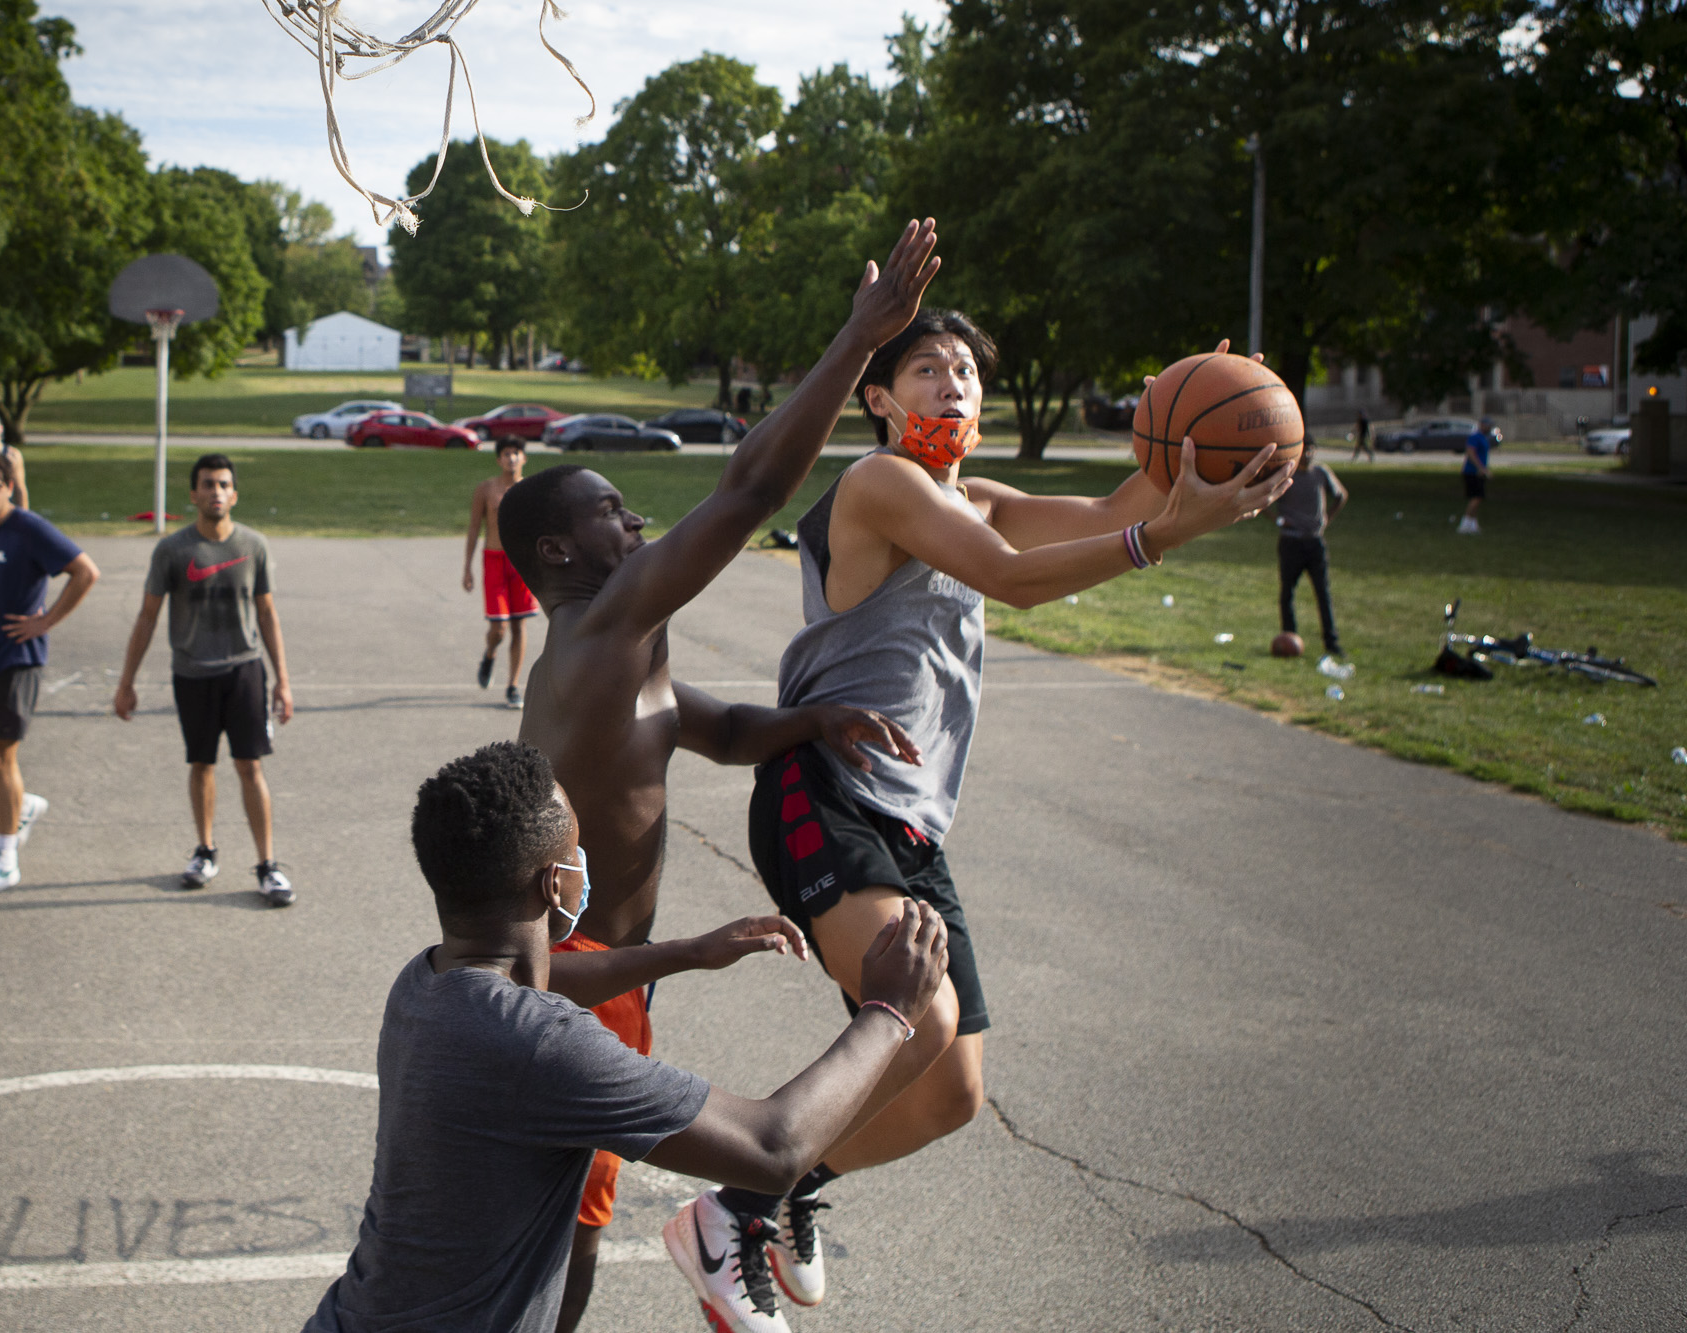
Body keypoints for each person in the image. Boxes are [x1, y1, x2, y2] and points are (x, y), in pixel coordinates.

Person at [702, 313, 1294, 1325]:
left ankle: (783, 1189)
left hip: (912, 826)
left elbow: (1121, 499)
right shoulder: (878, 482)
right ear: (880, 400)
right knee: (917, 1018)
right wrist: (1162, 535)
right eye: (923, 368)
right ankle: (735, 1206)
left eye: (965, 368)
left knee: (946, 1093)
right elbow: (1015, 581)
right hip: (826, 790)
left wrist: (1182, 425)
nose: (949, 381)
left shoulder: (974, 498)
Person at [501, 218, 941, 1333]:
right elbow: (746, 491)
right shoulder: (597, 632)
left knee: (566, 1205)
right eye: (612, 510)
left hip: (599, 966)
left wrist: (814, 719)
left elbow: (727, 727)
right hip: (582, 973)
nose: (636, 519)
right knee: (576, 1217)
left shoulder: (617, 665)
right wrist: (856, 339)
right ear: (557, 551)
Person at [300, 740, 948, 1333]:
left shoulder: (426, 982)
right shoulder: (540, 1046)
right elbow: (771, 1145)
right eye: (575, 854)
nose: (586, 867)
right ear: (555, 884)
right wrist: (889, 1009)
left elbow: (543, 977)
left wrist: (687, 951)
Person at [114, 453, 296, 905]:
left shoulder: (253, 545)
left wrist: (282, 681)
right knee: (201, 765)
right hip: (192, 673)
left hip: (244, 670)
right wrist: (126, 682)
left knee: (250, 766)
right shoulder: (172, 550)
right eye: (207, 484)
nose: (215, 491)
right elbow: (147, 616)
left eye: (223, 484)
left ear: (234, 494)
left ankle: (267, 865)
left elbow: (268, 613)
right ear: (193, 493)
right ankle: (205, 851)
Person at [0, 450, 99, 896]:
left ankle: (5, 859)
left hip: (15, 659)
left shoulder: (29, 530)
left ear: (9, 487)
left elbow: (85, 572)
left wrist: (45, 622)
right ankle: (20, 804)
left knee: (0, 757)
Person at [464, 436, 537, 709]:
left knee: (519, 624)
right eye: (506, 453)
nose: (511, 458)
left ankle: (513, 685)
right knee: (499, 627)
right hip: (493, 559)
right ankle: (490, 653)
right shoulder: (486, 489)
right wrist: (467, 568)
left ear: (524, 458)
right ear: (498, 459)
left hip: (521, 562)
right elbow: (474, 529)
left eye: (516, 453)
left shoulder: (530, 490)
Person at [1275, 437, 1349, 661]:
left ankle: (1331, 642)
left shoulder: (1321, 473)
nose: (1307, 455)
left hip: (1314, 541)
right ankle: (1290, 639)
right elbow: (1264, 500)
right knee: (1287, 593)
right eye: (1303, 451)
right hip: (1291, 541)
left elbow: (1341, 495)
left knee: (1323, 593)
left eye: (1311, 450)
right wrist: (1279, 520)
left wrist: (1327, 518)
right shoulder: (1287, 476)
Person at [1460, 415, 1496, 534]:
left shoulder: (1483, 438)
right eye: (1487, 425)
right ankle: (1464, 524)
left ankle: (1473, 525)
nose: (1489, 427)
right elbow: (1470, 453)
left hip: (1479, 472)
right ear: (1482, 425)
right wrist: (1480, 468)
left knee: (1478, 497)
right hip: (1472, 471)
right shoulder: (1475, 437)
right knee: (1476, 497)